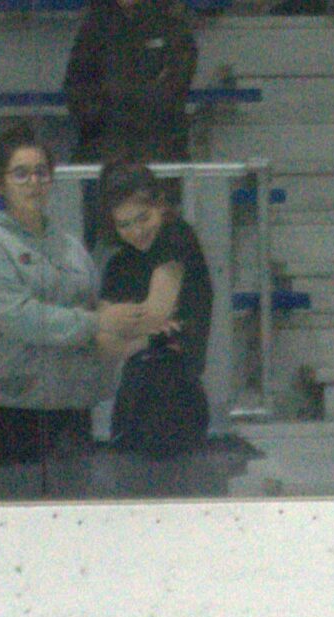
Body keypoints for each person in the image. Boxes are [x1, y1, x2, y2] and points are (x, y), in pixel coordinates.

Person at [0, 121, 170, 501]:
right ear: (0, 184)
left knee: (68, 516)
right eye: (21, 174)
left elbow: (88, 304)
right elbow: (19, 317)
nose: (34, 182)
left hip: (64, 405)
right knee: (12, 517)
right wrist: (97, 321)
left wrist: (126, 320)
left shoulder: (68, 246)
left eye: (41, 172)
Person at [93, 160, 218, 492]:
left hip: (176, 390)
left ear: (160, 205)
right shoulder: (120, 263)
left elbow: (154, 314)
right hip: (134, 391)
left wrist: (119, 324)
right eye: (124, 224)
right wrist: (146, 338)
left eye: (143, 218)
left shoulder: (176, 238)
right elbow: (103, 343)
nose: (136, 231)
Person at [62, 0, 196, 166]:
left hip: (161, 150)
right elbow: (77, 90)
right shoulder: (94, 29)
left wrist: (115, 97)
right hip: (103, 150)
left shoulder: (172, 26)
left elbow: (173, 90)